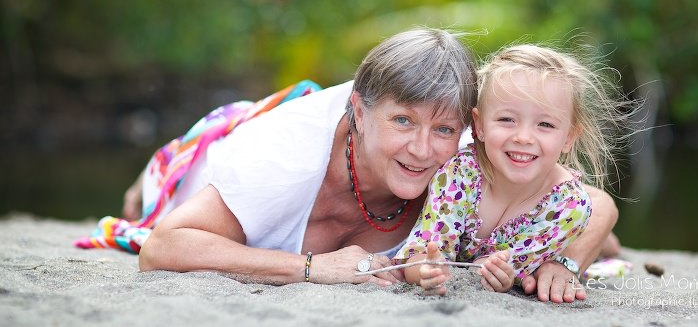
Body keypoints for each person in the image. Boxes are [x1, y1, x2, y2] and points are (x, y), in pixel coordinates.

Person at [99, 28, 618, 301]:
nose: (422, 149)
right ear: (359, 111)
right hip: (216, 161)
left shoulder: (466, 140)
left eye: (442, 129)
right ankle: (149, 175)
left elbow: (594, 205)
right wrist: (311, 268)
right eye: (402, 121)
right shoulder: (285, 159)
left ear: (466, 125)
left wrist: (565, 263)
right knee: (145, 200)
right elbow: (163, 247)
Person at [396, 43, 634, 296]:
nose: (523, 137)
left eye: (545, 124)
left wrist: (505, 274)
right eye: (507, 119)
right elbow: (421, 253)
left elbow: (513, 272)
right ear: (479, 125)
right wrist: (425, 270)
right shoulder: (459, 174)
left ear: (569, 137)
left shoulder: (569, 207)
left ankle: (606, 243)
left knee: (598, 233)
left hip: (557, 227)